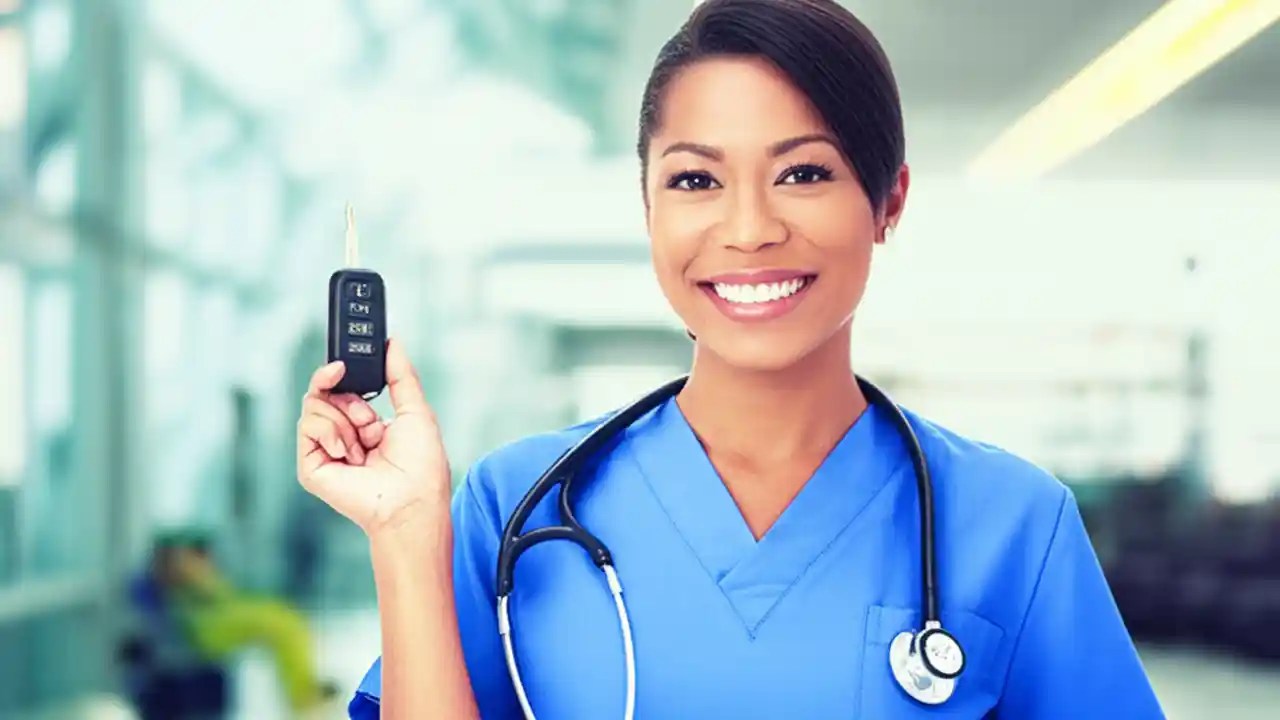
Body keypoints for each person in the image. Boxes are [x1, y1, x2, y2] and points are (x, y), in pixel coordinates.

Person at [296, 0, 1165, 717]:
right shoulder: (512, 503)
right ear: (647, 207)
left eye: (803, 174)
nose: (749, 229)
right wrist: (406, 534)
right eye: (695, 181)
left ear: (888, 201)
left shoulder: (1013, 523)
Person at [138, 531, 340, 717]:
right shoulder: (175, 587)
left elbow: (224, 597)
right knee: (278, 624)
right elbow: (209, 603)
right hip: (200, 630)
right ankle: (304, 696)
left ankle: (305, 690)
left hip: (214, 620)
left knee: (286, 618)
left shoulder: (194, 582)